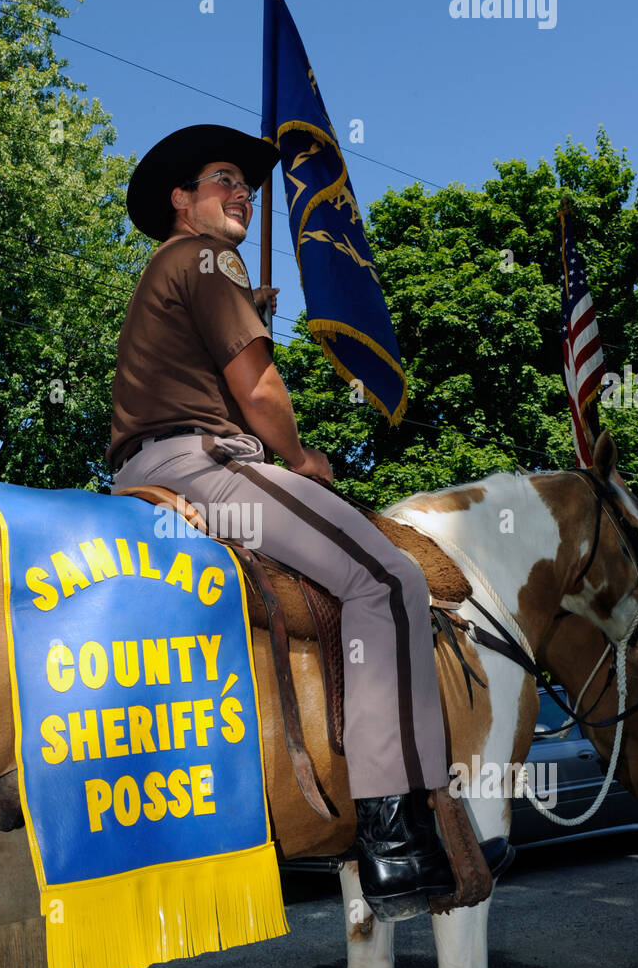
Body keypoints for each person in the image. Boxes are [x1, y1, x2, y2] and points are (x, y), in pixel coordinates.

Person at [106, 124, 509, 920]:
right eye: (223, 180)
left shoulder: (174, 271)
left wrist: (246, 313)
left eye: (247, 187)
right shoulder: (205, 257)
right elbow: (258, 390)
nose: (242, 195)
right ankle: (394, 838)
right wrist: (298, 456)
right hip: (203, 466)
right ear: (181, 199)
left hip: (152, 465)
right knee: (387, 579)